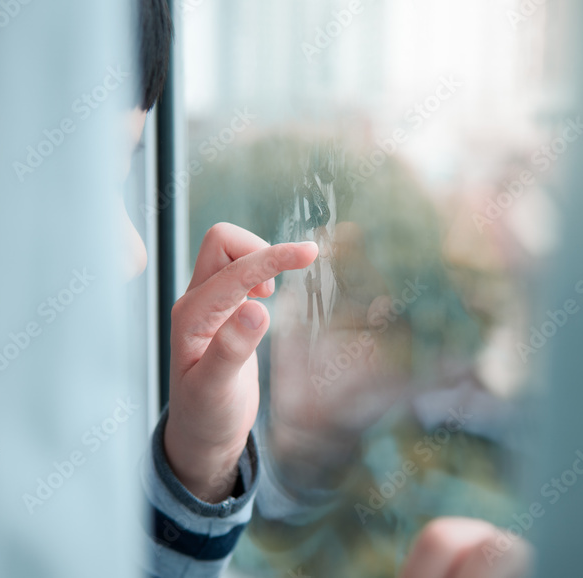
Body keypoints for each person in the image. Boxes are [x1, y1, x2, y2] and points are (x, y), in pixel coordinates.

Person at [125, 1, 532, 576]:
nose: (300, 327)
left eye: (364, 310)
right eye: (318, 296)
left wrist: (206, 459)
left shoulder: (450, 478)